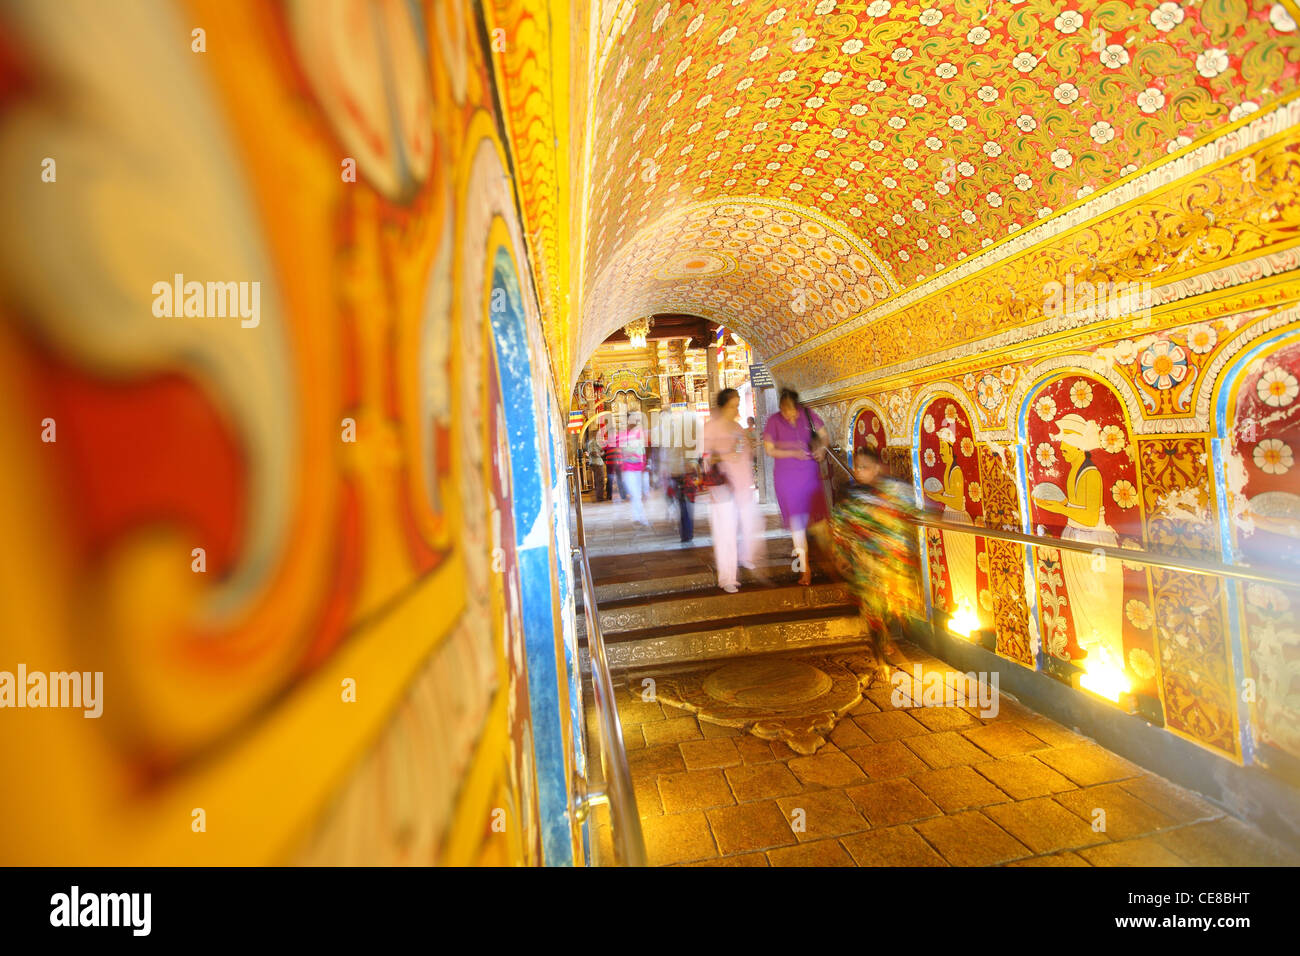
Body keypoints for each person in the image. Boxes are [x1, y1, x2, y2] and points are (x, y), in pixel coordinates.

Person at [831, 448, 922, 670]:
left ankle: (888, 645)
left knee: (894, 606)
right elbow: (840, 525)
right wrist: (841, 554)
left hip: (891, 564)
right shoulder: (854, 496)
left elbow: (915, 511)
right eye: (857, 467)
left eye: (865, 467)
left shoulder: (894, 490)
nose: (859, 471)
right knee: (873, 611)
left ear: (876, 468)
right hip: (866, 565)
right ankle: (882, 654)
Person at [762, 387, 831, 586]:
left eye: (792, 410)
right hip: (787, 480)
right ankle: (805, 570)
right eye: (784, 410)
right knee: (797, 526)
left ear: (798, 407)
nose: (789, 415)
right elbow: (769, 449)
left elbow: (824, 436)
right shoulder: (774, 421)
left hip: (810, 476)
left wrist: (822, 449)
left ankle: (835, 562)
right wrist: (792, 453)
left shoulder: (808, 415)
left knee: (819, 521)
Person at [702, 388, 762, 592]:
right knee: (725, 532)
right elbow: (706, 458)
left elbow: (745, 453)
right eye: (732, 406)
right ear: (722, 406)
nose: (736, 410)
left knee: (748, 525)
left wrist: (751, 445)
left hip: (741, 485)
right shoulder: (711, 428)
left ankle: (745, 557)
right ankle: (727, 577)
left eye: (737, 406)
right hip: (722, 486)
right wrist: (725, 455)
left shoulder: (737, 427)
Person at [659, 406, 696, 543]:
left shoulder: (676, 432)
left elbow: (686, 449)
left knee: (683, 503)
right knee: (681, 502)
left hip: (681, 471)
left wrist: (688, 463)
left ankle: (686, 533)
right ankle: (686, 532)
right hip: (673, 471)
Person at [620, 410, 651, 528]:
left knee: (637, 494)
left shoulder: (640, 433)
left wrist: (645, 466)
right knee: (635, 494)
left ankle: (637, 517)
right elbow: (624, 452)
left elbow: (643, 451)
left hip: (639, 468)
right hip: (628, 468)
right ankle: (641, 518)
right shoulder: (624, 434)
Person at [585, 432, 606, 502]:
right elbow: (595, 453)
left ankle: (599, 497)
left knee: (598, 481)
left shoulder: (593, 442)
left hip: (596, 463)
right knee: (600, 481)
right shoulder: (593, 442)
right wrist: (601, 453)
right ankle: (600, 498)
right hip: (597, 463)